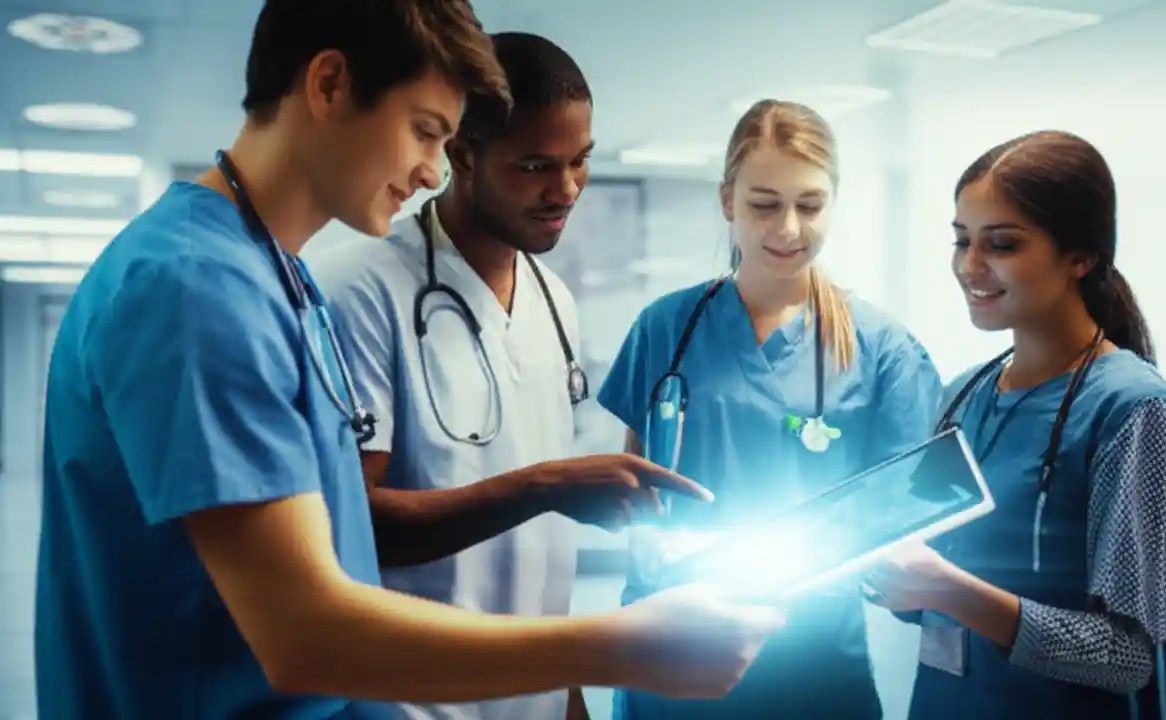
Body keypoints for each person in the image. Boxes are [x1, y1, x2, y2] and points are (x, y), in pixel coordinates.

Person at [32, 3, 783, 718]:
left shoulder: (275, 282)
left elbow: (338, 555)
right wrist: (621, 648)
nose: (432, 171)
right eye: (425, 132)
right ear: (330, 84)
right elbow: (305, 636)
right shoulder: (197, 289)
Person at [307, 31, 698, 720]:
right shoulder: (361, 288)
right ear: (462, 153)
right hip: (413, 705)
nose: (566, 189)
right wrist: (548, 487)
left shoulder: (555, 301)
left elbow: (537, 563)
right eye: (535, 166)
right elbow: (352, 523)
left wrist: (569, 699)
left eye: (580, 161)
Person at [596, 99, 944, 720]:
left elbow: (896, 520)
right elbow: (633, 487)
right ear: (727, 200)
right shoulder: (665, 329)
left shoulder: (882, 349)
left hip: (813, 665)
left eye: (810, 205)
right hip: (672, 650)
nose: (788, 228)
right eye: (764, 204)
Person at [864, 130, 1166, 719]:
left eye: (1002, 244)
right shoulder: (963, 396)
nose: (970, 266)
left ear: (1080, 256)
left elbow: (1126, 659)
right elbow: (926, 591)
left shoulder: (1135, 412)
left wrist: (950, 591)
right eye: (961, 240)